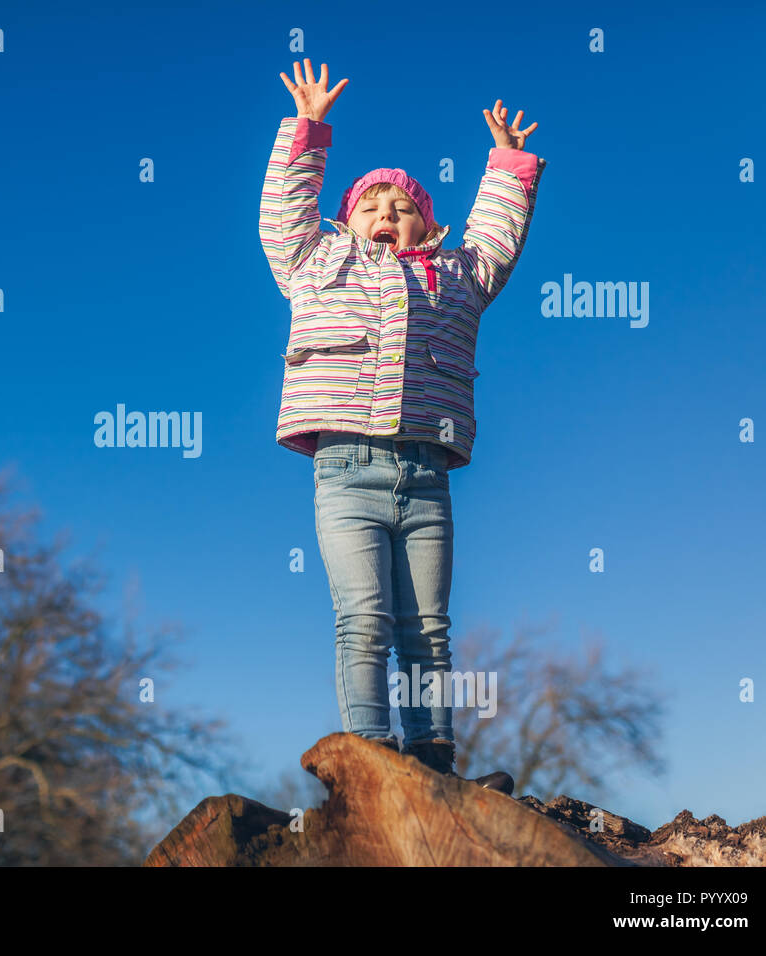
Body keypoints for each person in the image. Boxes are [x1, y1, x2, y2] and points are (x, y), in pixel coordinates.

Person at [259, 59, 546, 795]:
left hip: (425, 479)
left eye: (404, 206)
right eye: (371, 205)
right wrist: (309, 130)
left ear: (431, 224)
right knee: (365, 620)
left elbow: (495, 238)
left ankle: (433, 762)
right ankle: (371, 762)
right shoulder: (314, 260)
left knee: (428, 630)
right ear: (342, 220)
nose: (387, 214)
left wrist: (508, 166)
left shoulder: (458, 277)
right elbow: (284, 212)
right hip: (345, 473)